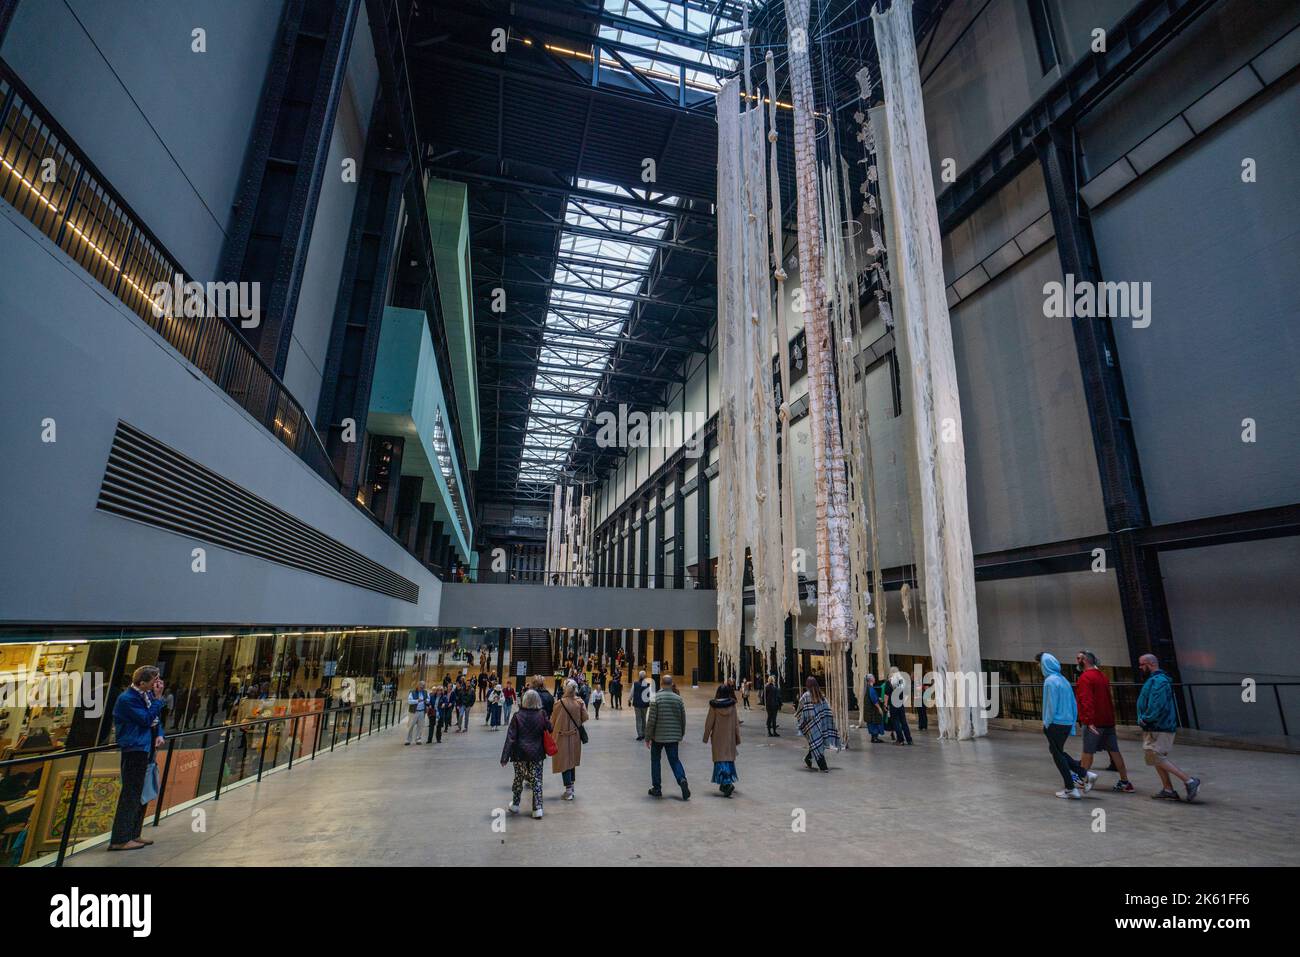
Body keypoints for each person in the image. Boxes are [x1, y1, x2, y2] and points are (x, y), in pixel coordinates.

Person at [108, 666, 166, 851]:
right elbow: (146, 719)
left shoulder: (146, 696)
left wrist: (159, 734)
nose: (158, 683)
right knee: (131, 794)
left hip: (146, 748)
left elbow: (155, 720)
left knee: (141, 793)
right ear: (142, 683)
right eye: (154, 680)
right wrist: (158, 699)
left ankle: (134, 833)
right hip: (135, 749)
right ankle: (120, 839)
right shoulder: (127, 699)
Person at [1137, 653, 1200, 802]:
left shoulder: (1158, 681)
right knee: (1156, 758)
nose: (1140, 668)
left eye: (1142, 665)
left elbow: (1156, 704)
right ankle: (1168, 789)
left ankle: (1190, 781)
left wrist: (1146, 719)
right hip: (1155, 726)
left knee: (1155, 755)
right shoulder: (1156, 680)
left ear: (1150, 664)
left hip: (1158, 726)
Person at [1074, 651, 1134, 792]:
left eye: (1078, 658)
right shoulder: (1102, 676)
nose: (1076, 661)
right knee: (1114, 751)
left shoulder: (1085, 678)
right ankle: (1125, 782)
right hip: (1108, 720)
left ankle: (1083, 779)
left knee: (1087, 751)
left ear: (1084, 660)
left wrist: (1088, 721)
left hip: (1094, 722)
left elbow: (1086, 700)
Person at [1039, 652, 1094, 799]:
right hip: (1066, 722)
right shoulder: (1063, 680)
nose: (1038, 666)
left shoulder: (1050, 681)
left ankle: (1071, 787)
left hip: (1055, 723)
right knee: (1058, 752)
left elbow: (1050, 705)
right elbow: (1073, 703)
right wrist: (1072, 722)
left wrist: (1046, 722)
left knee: (1058, 755)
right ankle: (1084, 774)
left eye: (1039, 663)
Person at [502, 689, 551, 819]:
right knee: (537, 780)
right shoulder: (542, 714)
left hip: (520, 754)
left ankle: (516, 805)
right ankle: (537, 808)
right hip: (537, 753)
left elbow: (511, 737)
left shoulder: (517, 716)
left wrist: (505, 757)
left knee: (519, 778)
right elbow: (550, 728)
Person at [645, 675, 689, 800]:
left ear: (661, 683)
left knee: (655, 760)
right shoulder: (678, 699)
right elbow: (683, 719)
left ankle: (657, 788)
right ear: (671, 684)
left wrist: (647, 737)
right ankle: (682, 779)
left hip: (657, 737)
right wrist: (681, 734)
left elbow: (651, 720)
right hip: (673, 736)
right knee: (675, 760)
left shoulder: (656, 698)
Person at [551, 679, 589, 801]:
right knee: (571, 762)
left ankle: (568, 791)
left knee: (564, 763)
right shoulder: (580, 703)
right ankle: (571, 787)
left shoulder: (559, 703)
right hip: (575, 736)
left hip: (562, 737)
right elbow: (585, 717)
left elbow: (553, 721)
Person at [703, 682, 741, 797]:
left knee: (720, 759)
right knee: (728, 759)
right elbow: (736, 723)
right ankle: (727, 782)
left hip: (718, 738)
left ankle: (726, 783)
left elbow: (709, 722)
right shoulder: (732, 706)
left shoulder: (714, 706)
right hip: (729, 738)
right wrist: (737, 738)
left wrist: (705, 736)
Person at [796, 676, 840, 772]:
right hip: (818, 725)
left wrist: (802, 719)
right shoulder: (821, 696)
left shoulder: (806, 696)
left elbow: (799, 709)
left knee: (816, 743)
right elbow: (828, 711)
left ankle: (814, 762)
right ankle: (821, 765)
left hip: (811, 726)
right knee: (817, 743)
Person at [886, 669, 913, 746]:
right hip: (900, 704)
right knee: (904, 722)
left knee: (896, 722)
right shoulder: (901, 682)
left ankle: (900, 740)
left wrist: (885, 705)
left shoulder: (889, 682)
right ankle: (909, 739)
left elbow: (886, 695)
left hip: (893, 705)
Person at [405, 680, 430, 745]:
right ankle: (408, 740)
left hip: (422, 711)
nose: (422, 688)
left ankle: (418, 739)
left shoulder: (425, 692)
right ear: (418, 686)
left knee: (420, 726)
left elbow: (428, 699)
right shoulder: (412, 692)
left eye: (423, 686)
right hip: (414, 712)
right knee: (411, 726)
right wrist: (417, 701)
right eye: (421, 686)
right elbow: (409, 701)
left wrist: (426, 701)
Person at [863, 674, 886, 744]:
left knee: (872, 724)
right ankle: (875, 738)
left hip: (869, 711)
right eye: (873, 677)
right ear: (871, 680)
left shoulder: (868, 688)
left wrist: (878, 699)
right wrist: (879, 708)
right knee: (875, 723)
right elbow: (874, 700)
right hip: (872, 711)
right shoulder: (871, 689)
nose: (875, 678)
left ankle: (874, 737)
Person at [631, 669, 652, 740]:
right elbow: (650, 695)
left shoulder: (635, 683)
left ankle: (640, 734)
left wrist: (629, 699)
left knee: (638, 719)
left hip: (637, 704)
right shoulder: (648, 684)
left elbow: (632, 693)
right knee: (643, 718)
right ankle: (644, 733)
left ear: (639, 676)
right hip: (645, 704)